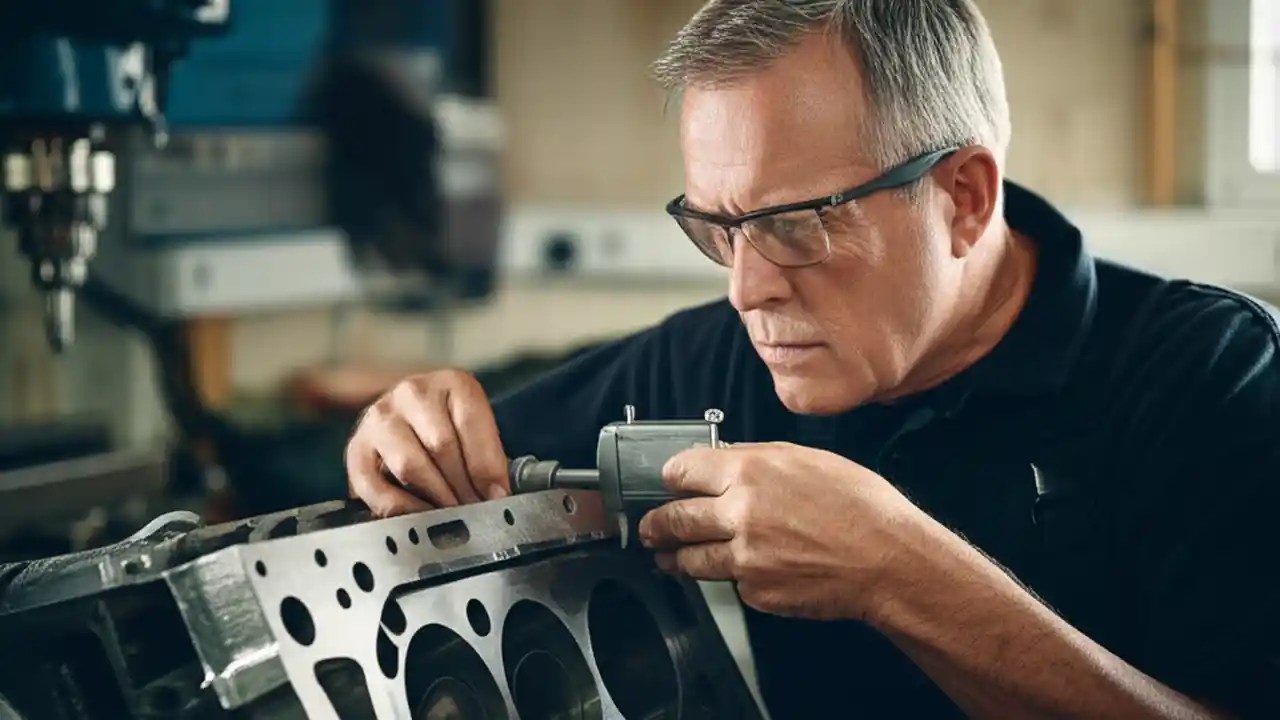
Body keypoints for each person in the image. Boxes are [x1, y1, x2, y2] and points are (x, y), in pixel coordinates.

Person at [344, 1, 1279, 717]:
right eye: (717, 228)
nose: (747, 293)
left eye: (793, 226)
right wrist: (402, 435)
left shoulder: (1207, 377)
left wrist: (897, 570)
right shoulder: (712, 367)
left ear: (962, 197)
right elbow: (439, 471)